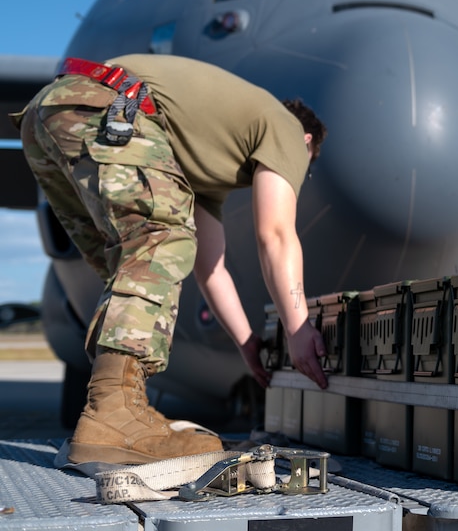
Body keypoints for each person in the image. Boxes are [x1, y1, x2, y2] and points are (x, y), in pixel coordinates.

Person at [11, 53, 330, 465]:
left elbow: (209, 268)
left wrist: (246, 343)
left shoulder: (205, 161)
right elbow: (276, 235)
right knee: (160, 240)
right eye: (303, 167)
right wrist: (298, 328)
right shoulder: (286, 127)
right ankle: (114, 416)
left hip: (53, 114)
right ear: (307, 142)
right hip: (107, 107)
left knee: (134, 266)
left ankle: (115, 408)